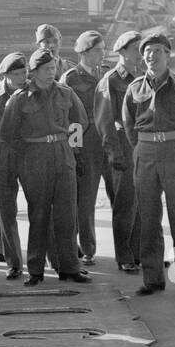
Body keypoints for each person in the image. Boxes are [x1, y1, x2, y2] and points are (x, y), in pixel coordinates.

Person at [122, 32, 175, 300]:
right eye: (147, 51)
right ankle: (152, 278)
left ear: (168, 55)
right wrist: (143, 148)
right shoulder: (134, 87)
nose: (151, 56)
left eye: (157, 51)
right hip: (145, 153)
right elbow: (128, 125)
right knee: (148, 218)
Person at [0, 48, 90, 288]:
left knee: (67, 215)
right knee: (38, 215)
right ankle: (36, 270)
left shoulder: (66, 92)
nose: (52, 73)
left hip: (63, 154)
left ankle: (70, 267)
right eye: (46, 69)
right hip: (35, 158)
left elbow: (81, 122)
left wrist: (75, 153)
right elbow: (8, 133)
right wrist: (28, 153)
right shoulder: (20, 98)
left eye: (53, 68)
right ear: (34, 71)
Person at [94, 31, 143, 271]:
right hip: (124, 147)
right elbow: (104, 121)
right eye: (135, 49)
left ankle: (140, 253)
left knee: (144, 203)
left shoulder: (145, 76)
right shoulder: (110, 80)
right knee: (125, 205)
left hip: (144, 147)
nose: (140, 53)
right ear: (122, 52)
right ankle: (125, 257)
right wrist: (114, 153)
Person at [63, 30, 110, 264]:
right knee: (85, 199)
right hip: (87, 141)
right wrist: (75, 150)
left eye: (103, 49)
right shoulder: (71, 79)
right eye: (98, 50)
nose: (103, 54)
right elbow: (68, 117)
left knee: (123, 196)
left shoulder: (109, 74)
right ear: (85, 52)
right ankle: (87, 248)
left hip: (110, 140)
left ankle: (131, 248)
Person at [0, 51, 29, 279]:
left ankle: (48, 259)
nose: (22, 77)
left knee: (41, 209)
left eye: (24, 72)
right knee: (6, 211)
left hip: (29, 153)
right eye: (17, 73)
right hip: (1, 154)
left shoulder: (33, 92)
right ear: (5, 75)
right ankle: (14, 263)